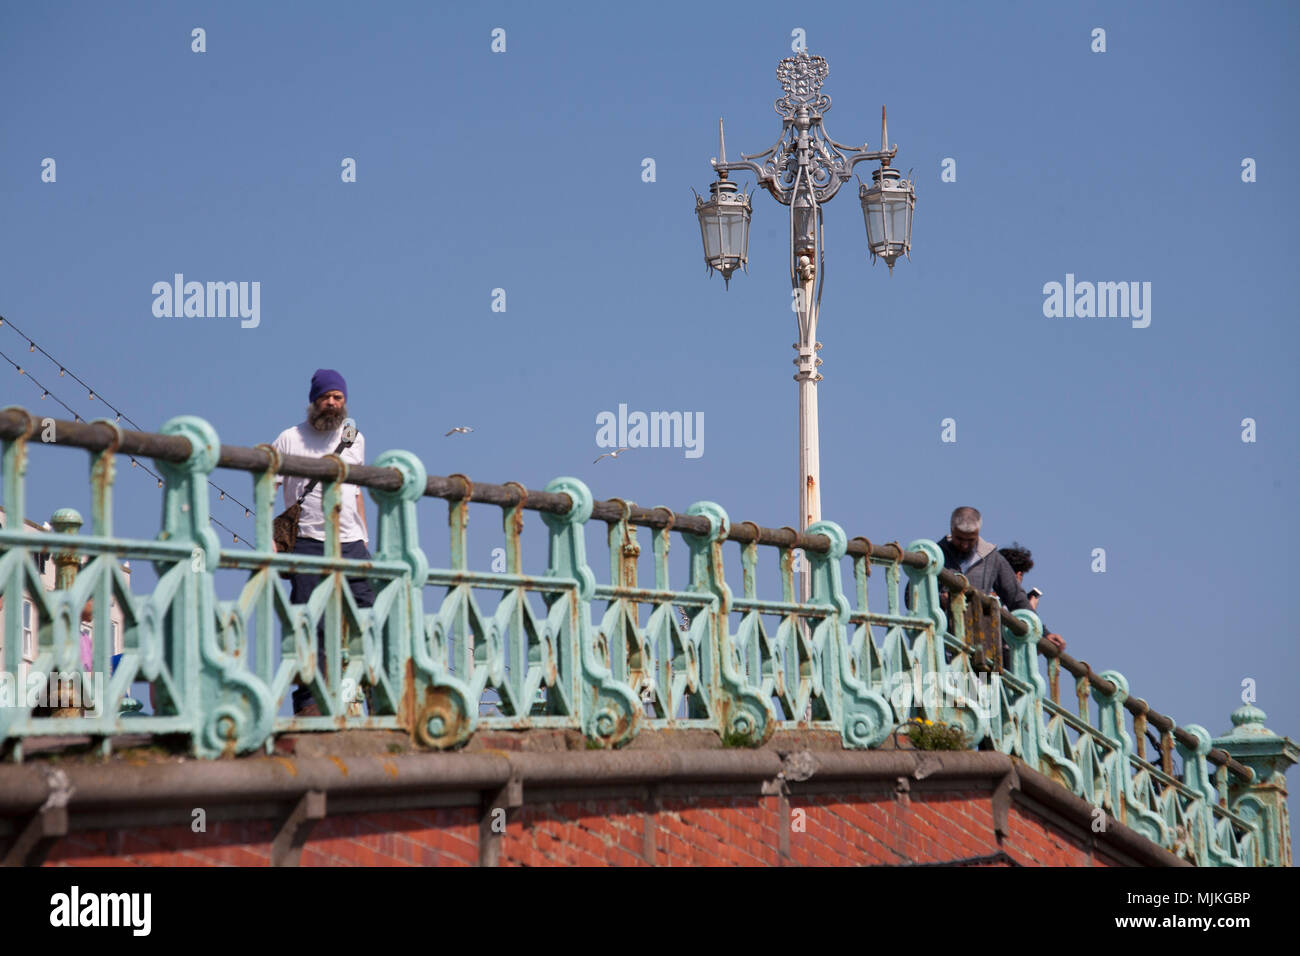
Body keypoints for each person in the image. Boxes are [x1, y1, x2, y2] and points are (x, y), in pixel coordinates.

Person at [272, 369, 374, 716]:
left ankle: (381, 701)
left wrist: (365, 535)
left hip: (352, 543)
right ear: (313, 400)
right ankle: (309, 708)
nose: (332, 403)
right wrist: (266, 540)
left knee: (369, 620)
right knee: (310, 623)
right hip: (307, 541)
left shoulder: (354, 438)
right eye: (326, 397)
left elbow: (356, 489)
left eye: (338, 397)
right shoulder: (289, 438)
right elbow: (267, 484)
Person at [998, 542, 1066, 653]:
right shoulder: (1003, 603)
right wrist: (1029, 615)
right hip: (994, 665)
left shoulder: (985, 593)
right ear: (1018, 575)